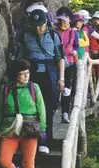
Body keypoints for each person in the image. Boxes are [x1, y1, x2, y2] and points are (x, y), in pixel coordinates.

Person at [13, 8, 65, 150]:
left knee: (48, 107)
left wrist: (61, 79)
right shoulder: (25, 36)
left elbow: (60, 58)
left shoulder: (54, 36)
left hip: (50, 73)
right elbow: (21, 57)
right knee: (30, 106)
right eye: (35, 25)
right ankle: (29, 140)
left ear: (46, 22)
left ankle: (45, 141)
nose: (38, 28)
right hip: (31, 73)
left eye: (40, 25)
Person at [0, 59, 46, 168]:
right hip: (9, 128)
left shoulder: (34, 88)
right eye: (22, 74)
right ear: (15, 75)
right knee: (3, 161)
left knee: (29, 163)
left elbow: (42, 109)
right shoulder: (5, 90)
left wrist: (43, 128)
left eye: (27, 72)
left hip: (30, 128)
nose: (26, 76)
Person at [56, 8, 80, 124]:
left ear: (69, 20)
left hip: (69, 63)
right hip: (55, 63)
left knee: (67, 89)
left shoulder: (72, 32)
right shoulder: (53, 31)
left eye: (64, 21)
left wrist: (75, 51)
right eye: (60, 20)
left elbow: (76, 46)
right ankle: (54, 108)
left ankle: (65, 113)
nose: (61, 23)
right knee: (55, 87)